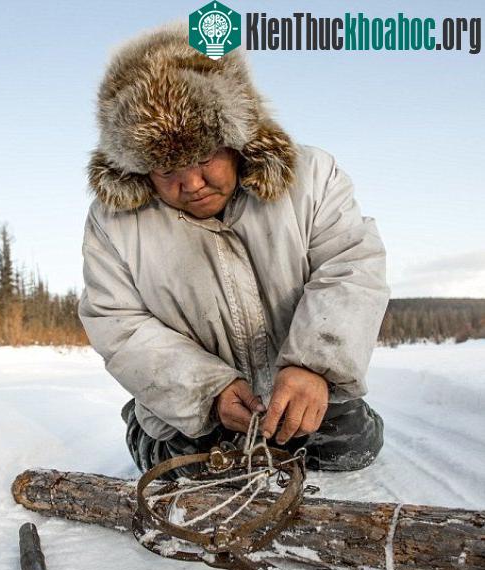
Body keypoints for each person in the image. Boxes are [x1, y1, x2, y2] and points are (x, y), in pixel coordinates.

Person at [79, 24, 390, 478]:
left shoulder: (312, 177)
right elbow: (117, 322)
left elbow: (349, 265)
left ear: (237, 138)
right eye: (166, 168)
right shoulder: (112, 222)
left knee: (354, 450)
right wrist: (210, 391)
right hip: (191, 404)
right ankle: (144, 423)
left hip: (296, 389)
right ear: (139, 167)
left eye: (204, 156)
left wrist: (312, 366)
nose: (191, 183)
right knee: (184, 473)